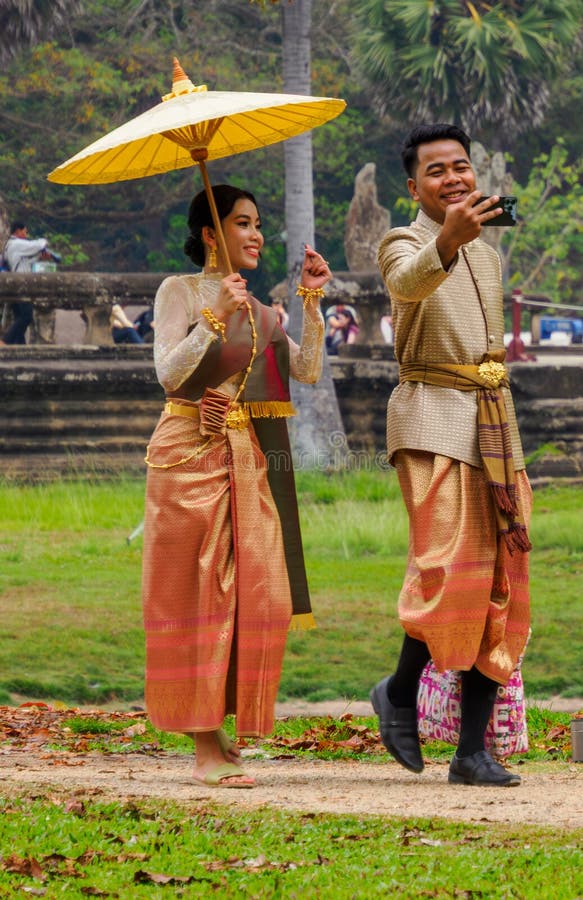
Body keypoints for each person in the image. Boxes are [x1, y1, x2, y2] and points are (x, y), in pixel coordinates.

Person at [141, 184, 329, 789]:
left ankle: (219, 728)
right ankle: (202, 747)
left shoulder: (260, 311)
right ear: (208, 234)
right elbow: (168, 373)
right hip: (186, 453)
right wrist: (213, 314)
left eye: (258, 224)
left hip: (244, 459)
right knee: (200, 594)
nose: (255, 235)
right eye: (242, 224)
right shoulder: (181, 290)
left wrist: (313, 303)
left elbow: (307, 368)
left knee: (258, 594)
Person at [370, 124, 532, 787]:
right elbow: (408, 286)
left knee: (500, 582)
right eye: (436, 171)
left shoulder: (488, 257)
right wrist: (446, 239)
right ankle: (399, 691)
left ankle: (470, 752)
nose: (454, 178)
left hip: (494, 424)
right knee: (448, 571)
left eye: (460, 167)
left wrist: (465, 240)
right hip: (431, 418)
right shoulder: (402, 243)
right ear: (414, 187)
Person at [1, 222, 58, 345]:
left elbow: (24, 263)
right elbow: (37, 245)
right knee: (26, 316)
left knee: (20, 317)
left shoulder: (10, 245)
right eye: (25, 232)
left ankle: (19, 346)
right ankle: (4, 341)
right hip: (21, 286)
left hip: (15, 284)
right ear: (18, 231)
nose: (26, 235)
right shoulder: (16, 243)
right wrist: (44, 241)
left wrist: (40, 258)